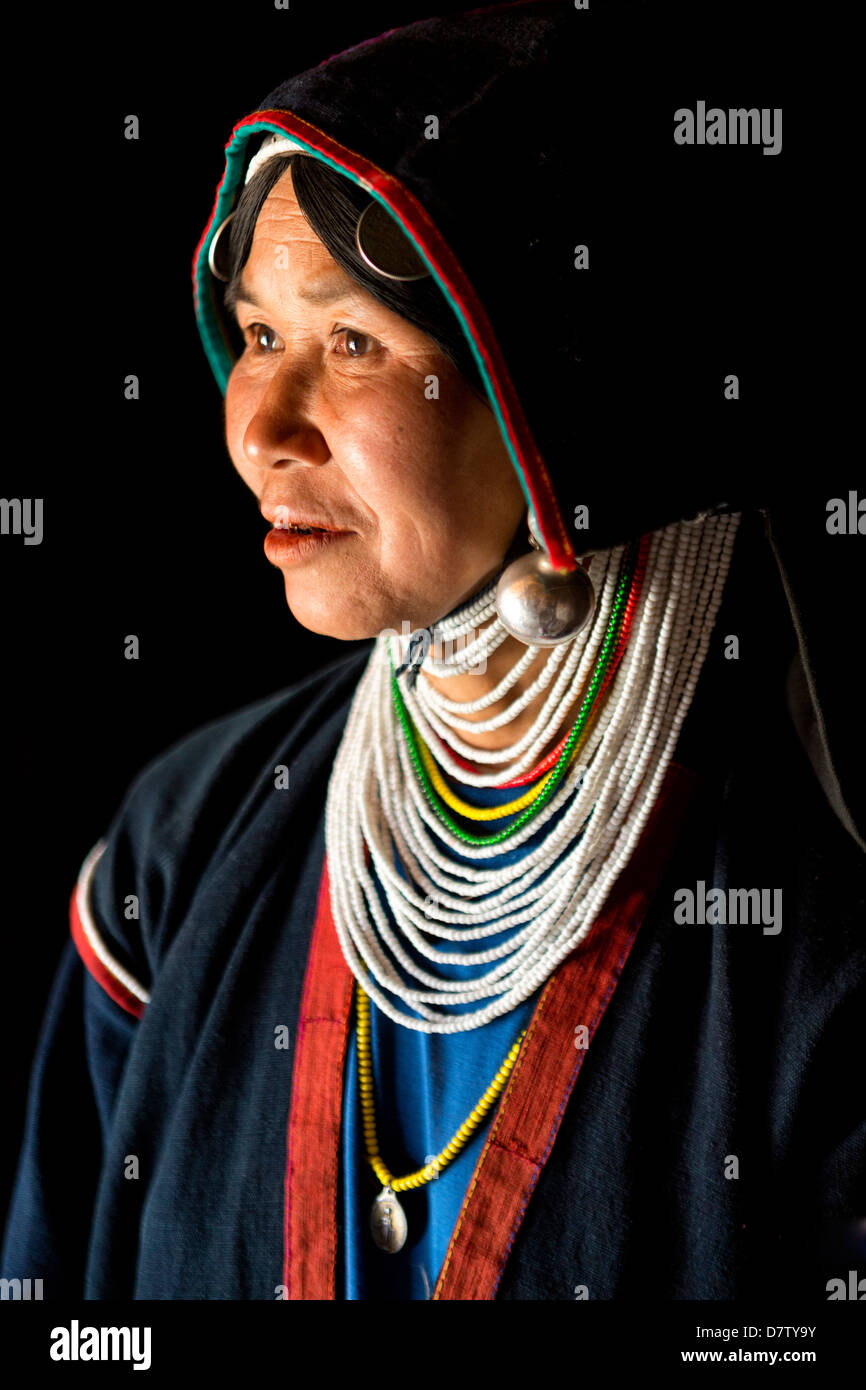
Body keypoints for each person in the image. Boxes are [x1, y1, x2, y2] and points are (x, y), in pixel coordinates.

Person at [3, 1, 864, 1301]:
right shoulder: (176, 854)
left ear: (558, 389)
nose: (261, 428)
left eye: (351, 342)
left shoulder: (811, 930)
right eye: (256, 336)